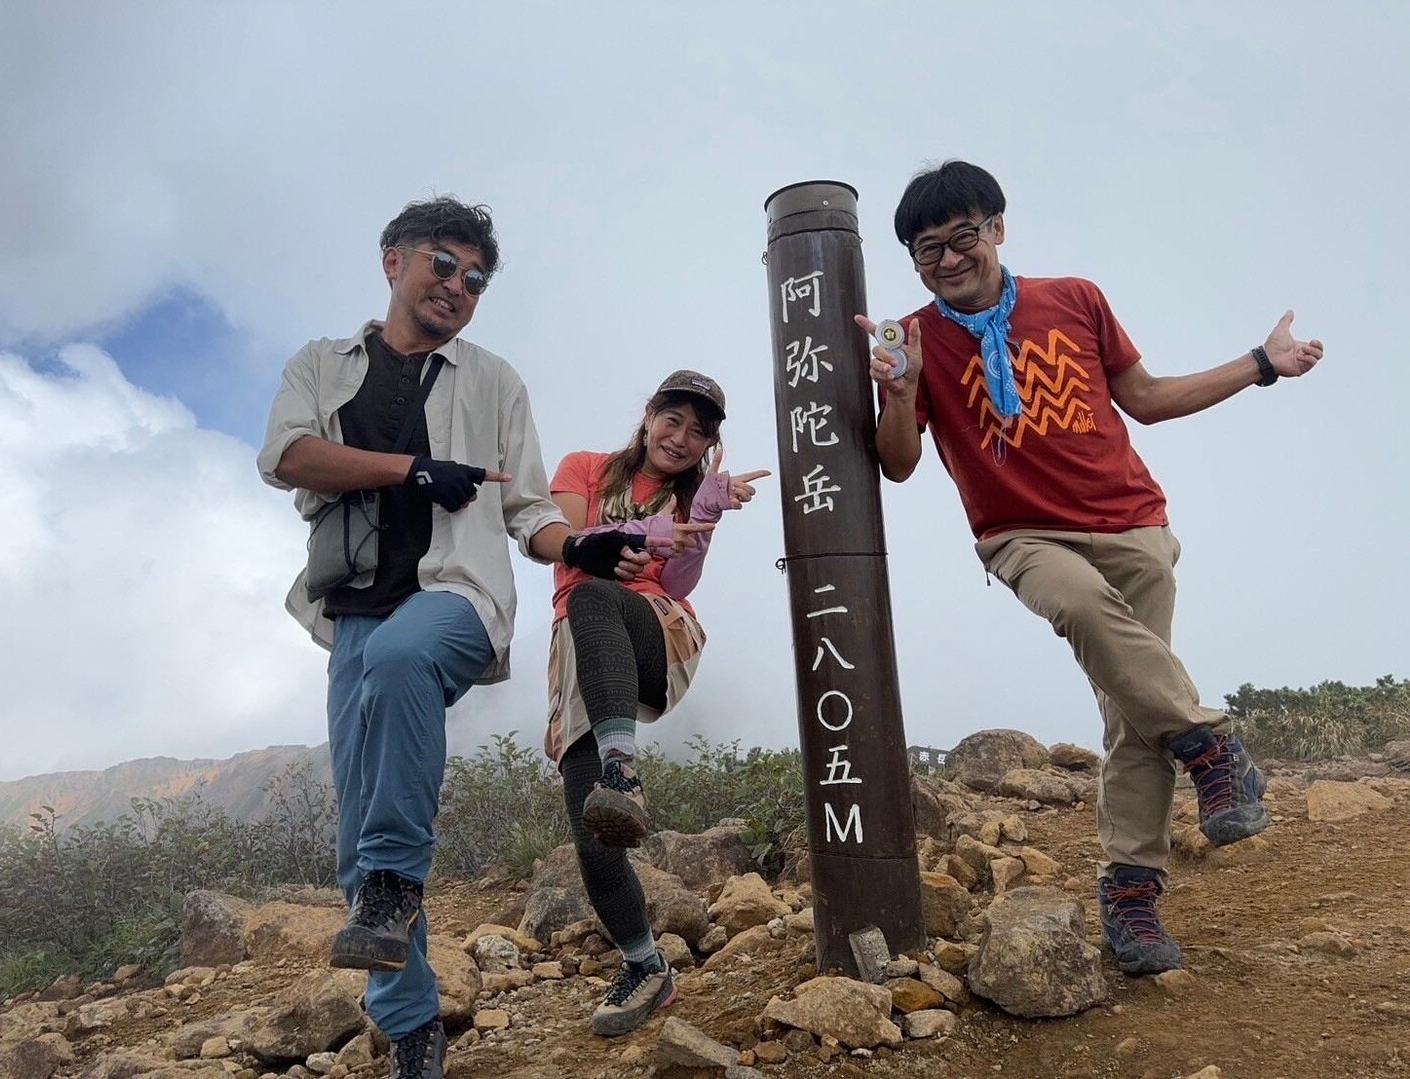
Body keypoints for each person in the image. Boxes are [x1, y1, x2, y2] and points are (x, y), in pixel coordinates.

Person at [858, 161, 1323, 976]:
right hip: (1020, 534)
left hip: (1132, 523)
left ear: (996, 228)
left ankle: (1131, 893)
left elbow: (1143, 397)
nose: (946, 259)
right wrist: (896, 393)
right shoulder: (914, 339)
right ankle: (1210, 746)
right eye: (925, 249)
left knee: (1132, 708)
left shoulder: (1074, 298)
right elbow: (896, 465)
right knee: (1079, 608)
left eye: (960, 236)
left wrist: (1259, 362)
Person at [258, 196, 653, 1079]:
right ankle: (412, 1029)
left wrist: (579, 544)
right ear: (392, 261)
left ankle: (398, 881)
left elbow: (530, 510)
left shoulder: (492, 379)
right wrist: (411, 470)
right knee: (355, 840)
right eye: (443, 264)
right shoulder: (324, 363)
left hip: (457, 599)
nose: (458, 287)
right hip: (351, 614)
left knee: (402, 688)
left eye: (476, 279)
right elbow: (286, 454)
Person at [542, 370, 769, 1036]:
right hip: (581, 651)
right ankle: (644, 965)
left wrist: (702, 518)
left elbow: (677, 579)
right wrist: (643, 528)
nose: (681, 436)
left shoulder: (696, 493)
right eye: (673, 419)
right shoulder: (583, 466)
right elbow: (569, 537)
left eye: (699, 431)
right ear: (647, 415)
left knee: (595, 595)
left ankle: (624, 767)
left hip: (658, 631)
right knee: (592, 830)